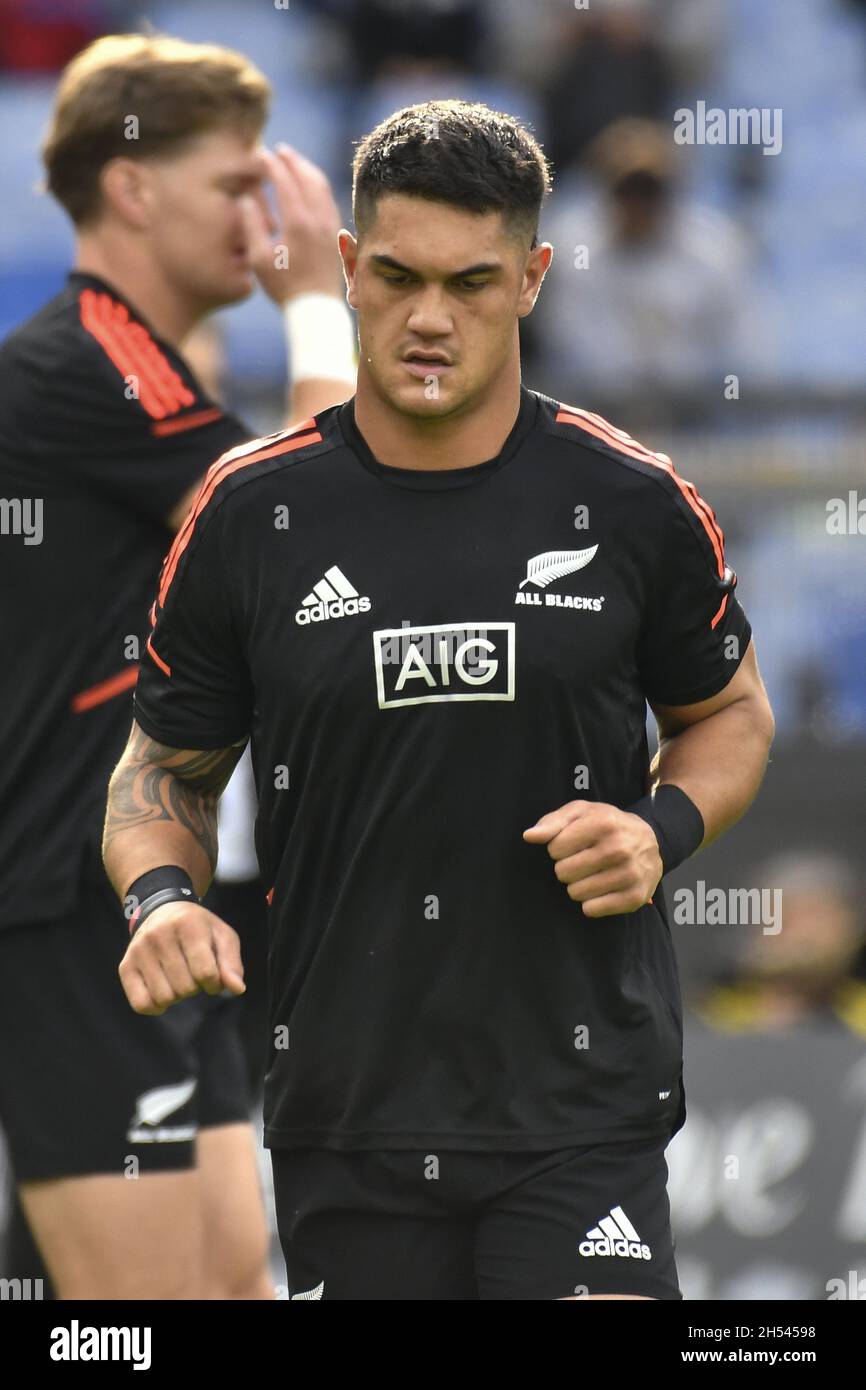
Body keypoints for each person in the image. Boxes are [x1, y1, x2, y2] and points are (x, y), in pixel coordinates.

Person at [103, 99, 775, 1301]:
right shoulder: (250, 517)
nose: (428, 318)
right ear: (349, 267)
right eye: (399, 276)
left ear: (532, 278)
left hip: (582, 1114)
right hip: (348, 1118)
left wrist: (656, 829)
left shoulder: (630, 503)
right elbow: (164, 773)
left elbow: (727, 715)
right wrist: (161, 897)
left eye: (471, 282)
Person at [0, 32, 355, 1299]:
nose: (261, 217)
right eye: (234, 183)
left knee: (229, 1295)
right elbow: (300, 518)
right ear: (136, 186)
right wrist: (316, 295)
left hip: (159, 903)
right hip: (65, 906)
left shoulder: (132, 360)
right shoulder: (82, 360)